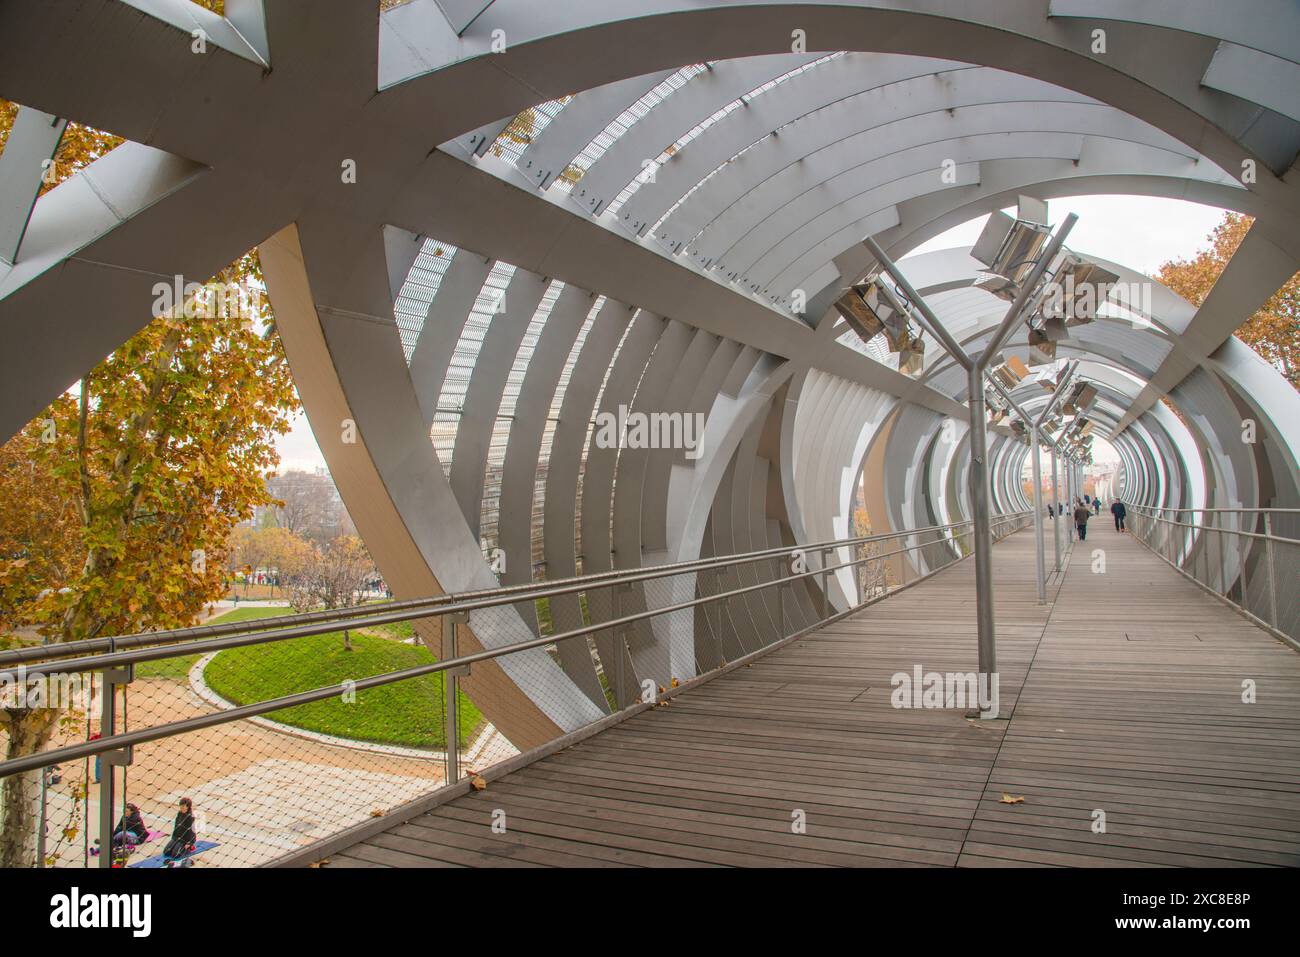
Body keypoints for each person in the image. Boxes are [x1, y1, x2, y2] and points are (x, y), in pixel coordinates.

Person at [162, 797, 197, 866]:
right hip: (177, 837)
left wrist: (189, 843)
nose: (182, 809)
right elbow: (176, 825)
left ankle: (191, 847)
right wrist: (173, 838)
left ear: (188, 807)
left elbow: (192, 831)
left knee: (175, 855)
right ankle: (178, 845)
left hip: (185, 839)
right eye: (181, 807)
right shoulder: (180, 813)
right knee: (166, 852)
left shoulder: (190, 817)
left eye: (183, 807)